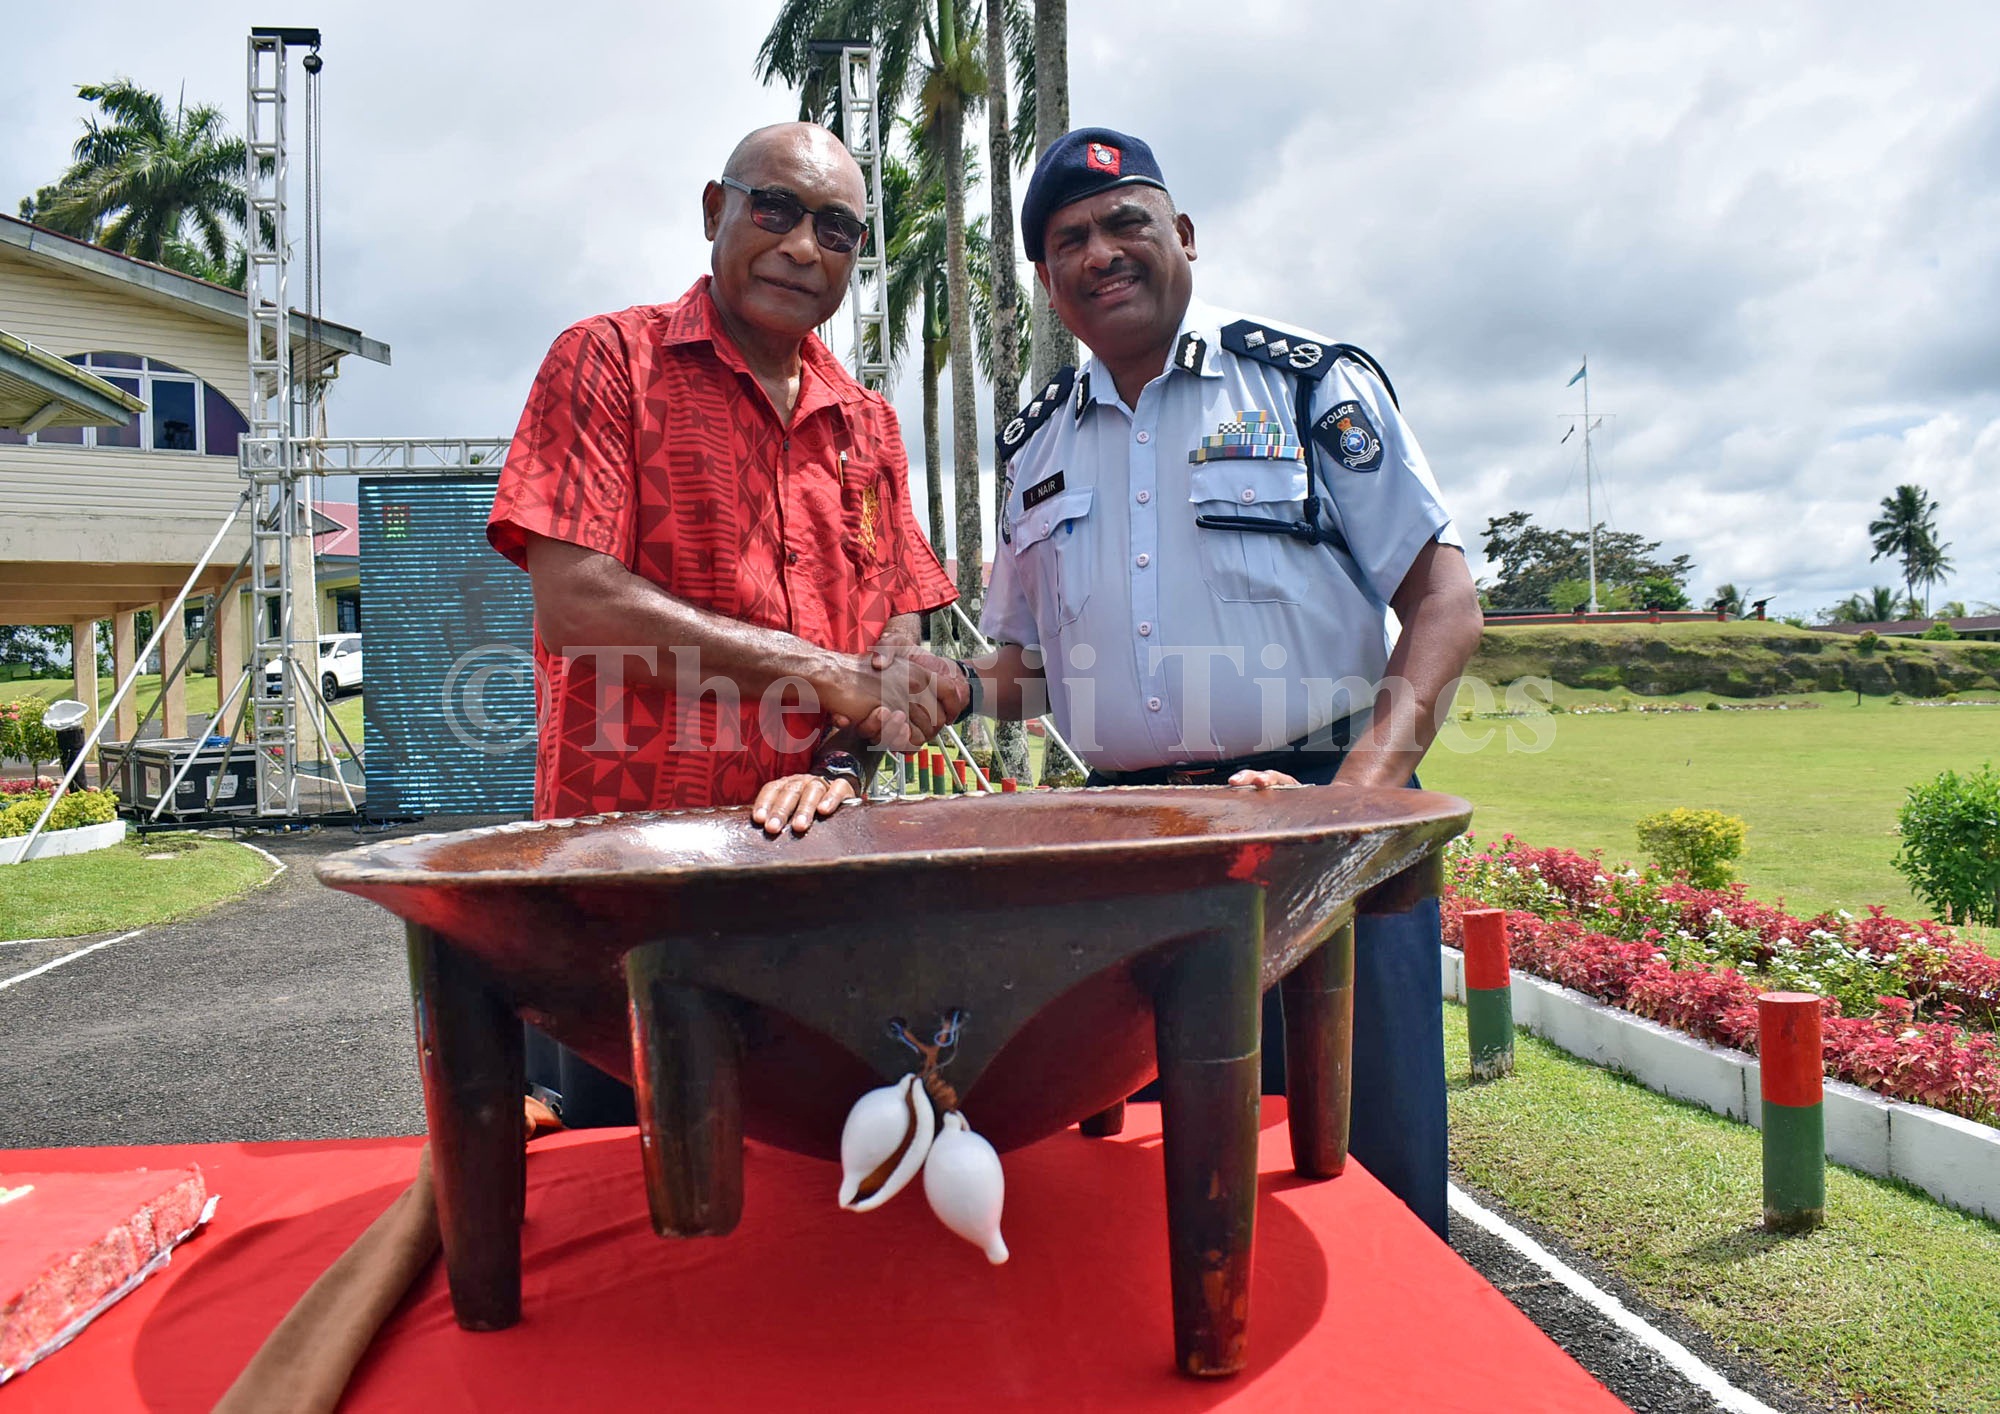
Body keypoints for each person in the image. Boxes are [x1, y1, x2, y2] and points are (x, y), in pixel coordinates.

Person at [882, 128, 1482, 1237]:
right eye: (1069, 240)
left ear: (1184, 238)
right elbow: (1034, 671)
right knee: (1164, 1200)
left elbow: (1442, 602)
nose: (1100, 252)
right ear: (1046, 281)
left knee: (1365, 1184)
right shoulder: (1037, 443)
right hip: (1136, 855)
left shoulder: (1304, 385)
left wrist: (1347, 805)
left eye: (1125, 224)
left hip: (1315, 825)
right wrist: (953, 690)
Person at [487, 121, 961, 1123]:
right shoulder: (608, 360)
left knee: (810, 1193)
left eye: (834, 230)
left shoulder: (866, 423)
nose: (799, 246)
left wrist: (836, 766)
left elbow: (896, 645)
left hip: (812, 889)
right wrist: (825, 674)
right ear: (716, 211)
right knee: (625, 1197)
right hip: (627, 886)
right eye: (774, 209)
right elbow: (578, 606)